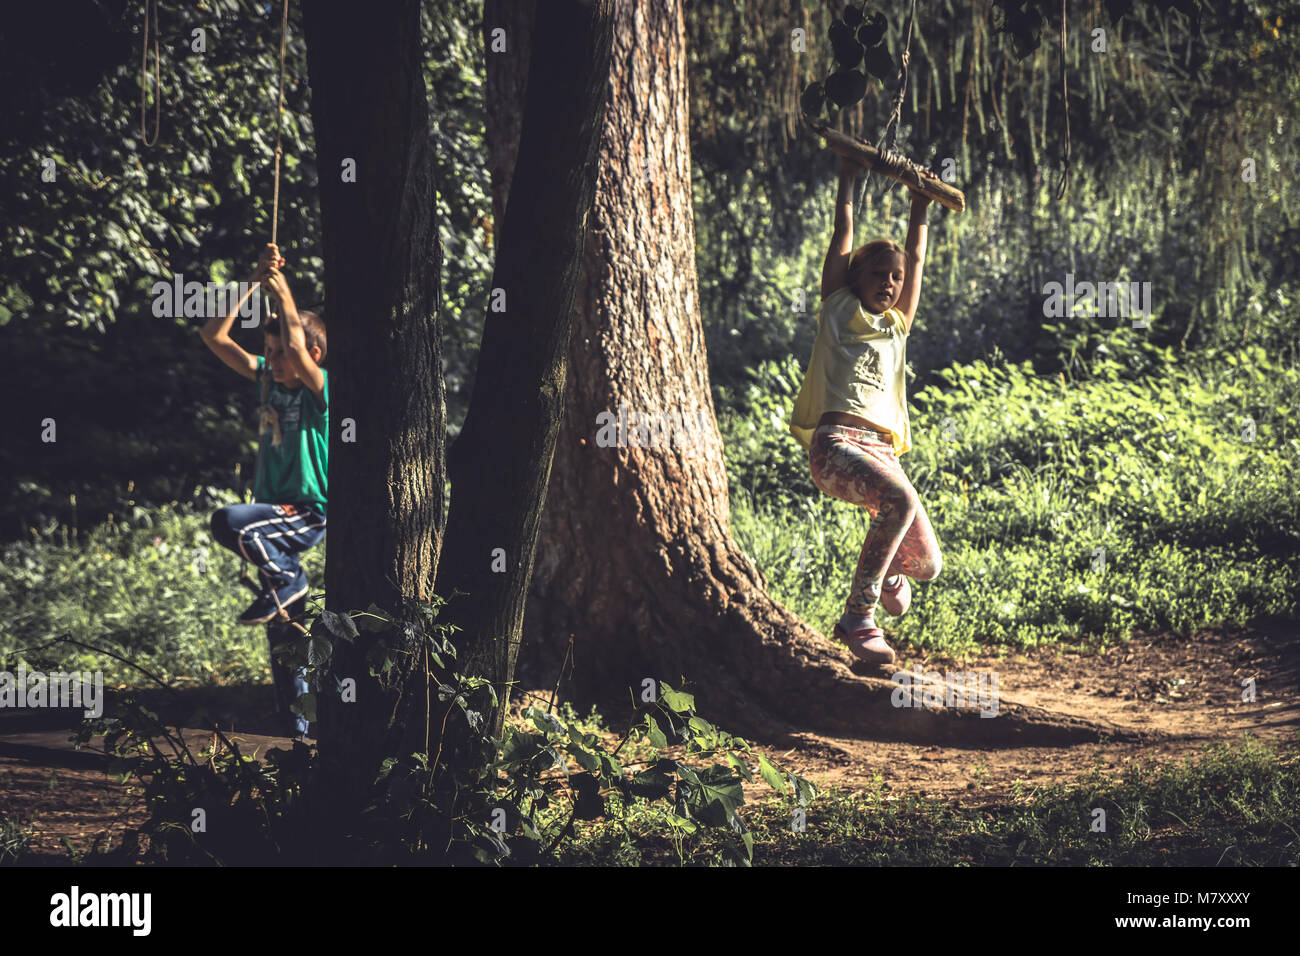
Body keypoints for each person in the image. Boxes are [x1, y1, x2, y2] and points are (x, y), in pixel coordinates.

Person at [788, 155, 943, 665]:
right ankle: (859, 617)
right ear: (858, 276)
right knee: (899, 499)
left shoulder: (898, 325)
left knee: (927, 565)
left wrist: (920, 205)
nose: (890, 283)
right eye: (878, 274)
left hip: (880, 451)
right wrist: (849, 174)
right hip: (836, 448)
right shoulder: (838, 306)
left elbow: (917, 259)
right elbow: (843, 231)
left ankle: (891, 570)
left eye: (895, 278)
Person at [199, 242, 327, 735]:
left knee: (227, 521)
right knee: (283, 633)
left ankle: (289, 578)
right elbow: (214, 335)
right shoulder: (266, 383)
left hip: (305, 511)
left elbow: (296, 345)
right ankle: (298, 733)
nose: (274, 359)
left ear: (312, 356)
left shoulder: (321, 390)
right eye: (268, 351)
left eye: (282, 353)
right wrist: (254, 281)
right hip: (272, 518)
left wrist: (284, 292)